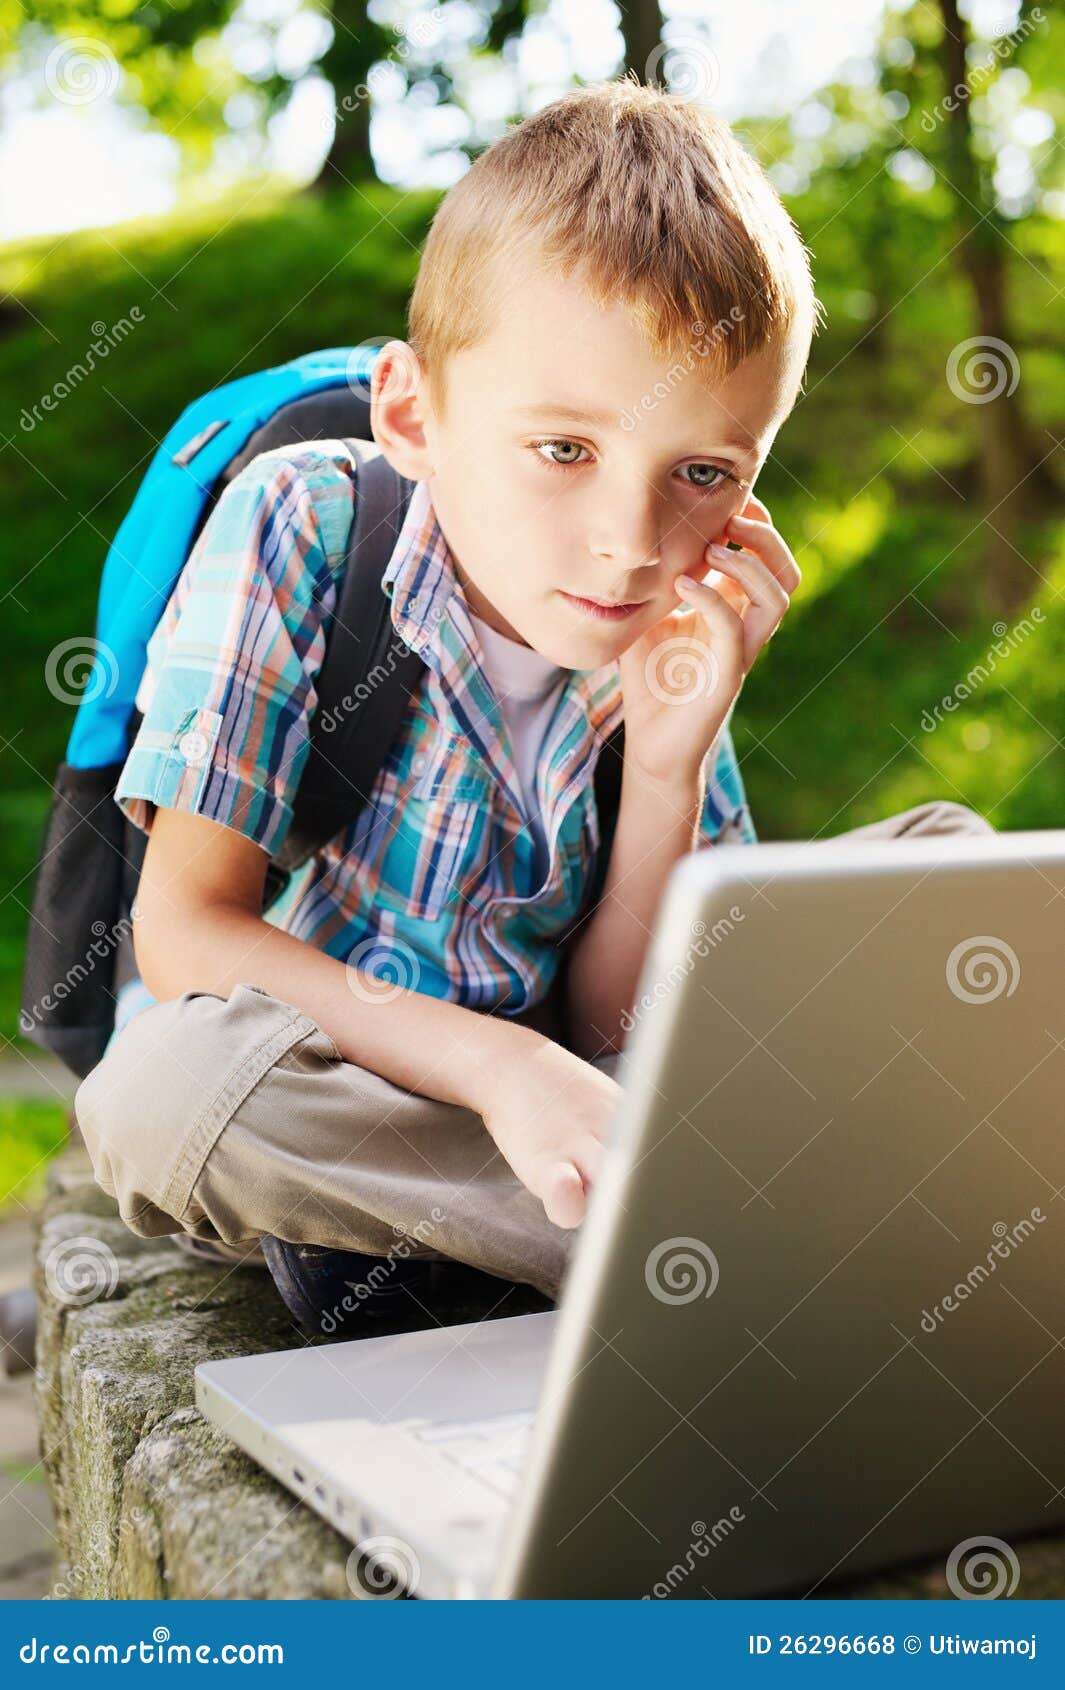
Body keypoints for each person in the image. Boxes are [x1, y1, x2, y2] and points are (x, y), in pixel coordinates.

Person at [74, 76, 993, 1336]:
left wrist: (667, 770)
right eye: (565, 449)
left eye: (704, 474)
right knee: (162, 1093)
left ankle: (569, 1249)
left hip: (573, 1103)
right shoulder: (309, 521)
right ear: (415, 413)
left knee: (950, 870)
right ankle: (755, 1268)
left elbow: (625, 1029)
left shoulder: (671, 634)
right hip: (338, 1101)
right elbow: (183, 933)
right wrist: (498, 1065)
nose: (629, 543)